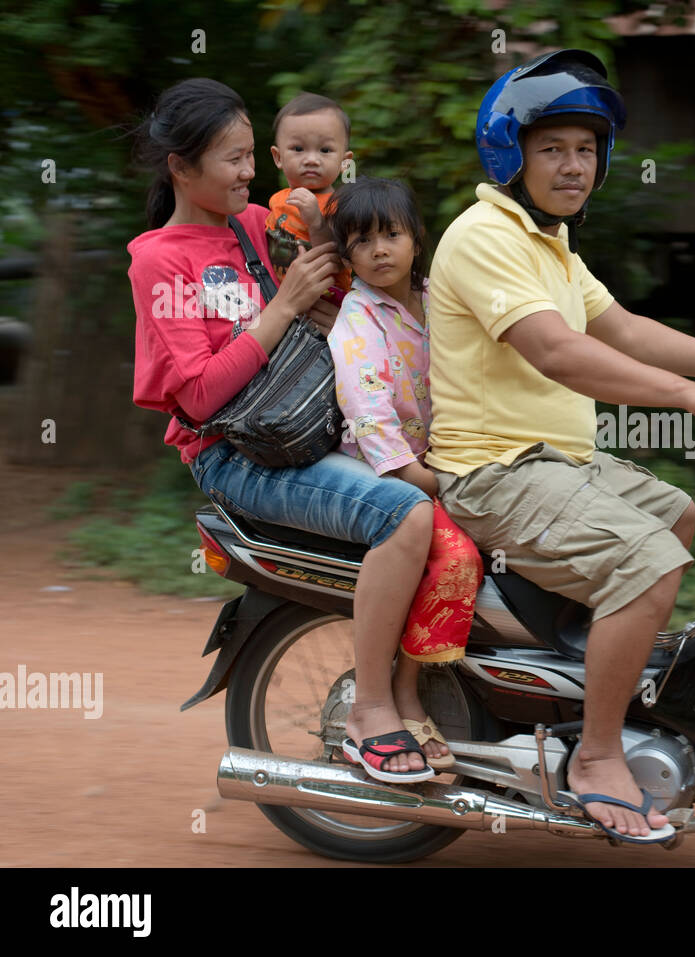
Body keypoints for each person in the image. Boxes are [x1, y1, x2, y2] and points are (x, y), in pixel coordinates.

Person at [426, 50, 695, 842]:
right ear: (511, 152)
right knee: (649, 560)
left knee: (677, 513)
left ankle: (587, 696)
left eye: (586, 149)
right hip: (495, 470)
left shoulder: (552, 246)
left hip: (557, 465)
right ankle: (594, 755)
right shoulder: (487, 235)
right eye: (553, 147)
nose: (573, 165)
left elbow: (622, 329)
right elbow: (558, 351)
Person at [129, 77, 440, 783]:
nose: (250, 172)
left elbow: (349, 261)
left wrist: (327, 308)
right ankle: (370, 709)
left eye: (249, 157)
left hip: (306, 423)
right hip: (232, 452)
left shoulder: (254, 227)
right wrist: (286, 307)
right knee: (407, 512)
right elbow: (202, 395)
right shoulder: (159, 259)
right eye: (235, 159)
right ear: (182, 169)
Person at [325, 176, 483, 768]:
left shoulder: (440, 297)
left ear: (417, 238)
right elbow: (369, 418)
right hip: (388, 472)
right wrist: (428, 480)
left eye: (391, 234)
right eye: (362, 242)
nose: (380, 250)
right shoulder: (359, 319)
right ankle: (402, 690)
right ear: (347, 257)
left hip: (451, 458)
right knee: (458, 556)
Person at [265, 92, 353, 305]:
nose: (312, 159)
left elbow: (342, 259)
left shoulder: (343, 206)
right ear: (278, 157)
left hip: (330, 302)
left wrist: (316, 222)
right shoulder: (277, 200)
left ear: (344, 162)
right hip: (282, 301)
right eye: (298, 149)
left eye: (325, 150)